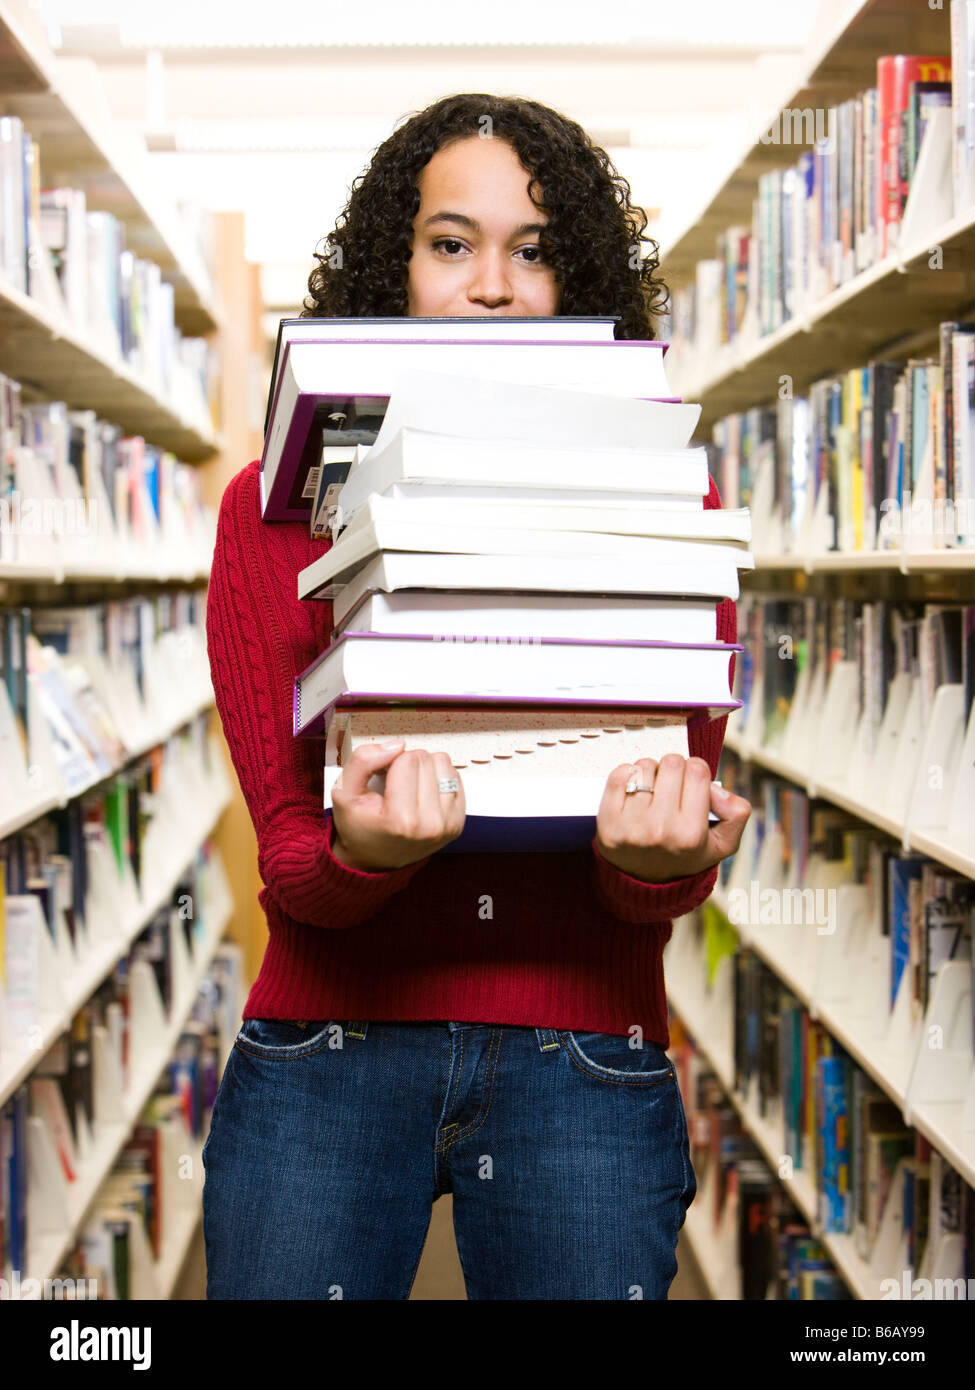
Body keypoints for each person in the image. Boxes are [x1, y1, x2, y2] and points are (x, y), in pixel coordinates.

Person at [202, 92, 751, 1301]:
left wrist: (661, 862)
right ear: (392, 269)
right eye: (452, 244)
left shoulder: (667, 514)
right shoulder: (269, 515)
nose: (494, 284)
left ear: (582, 279)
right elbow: (290, 864)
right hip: (325, 1044)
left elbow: (649, 874)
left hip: (583, 1049)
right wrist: (364, 852)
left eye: (537, 249)